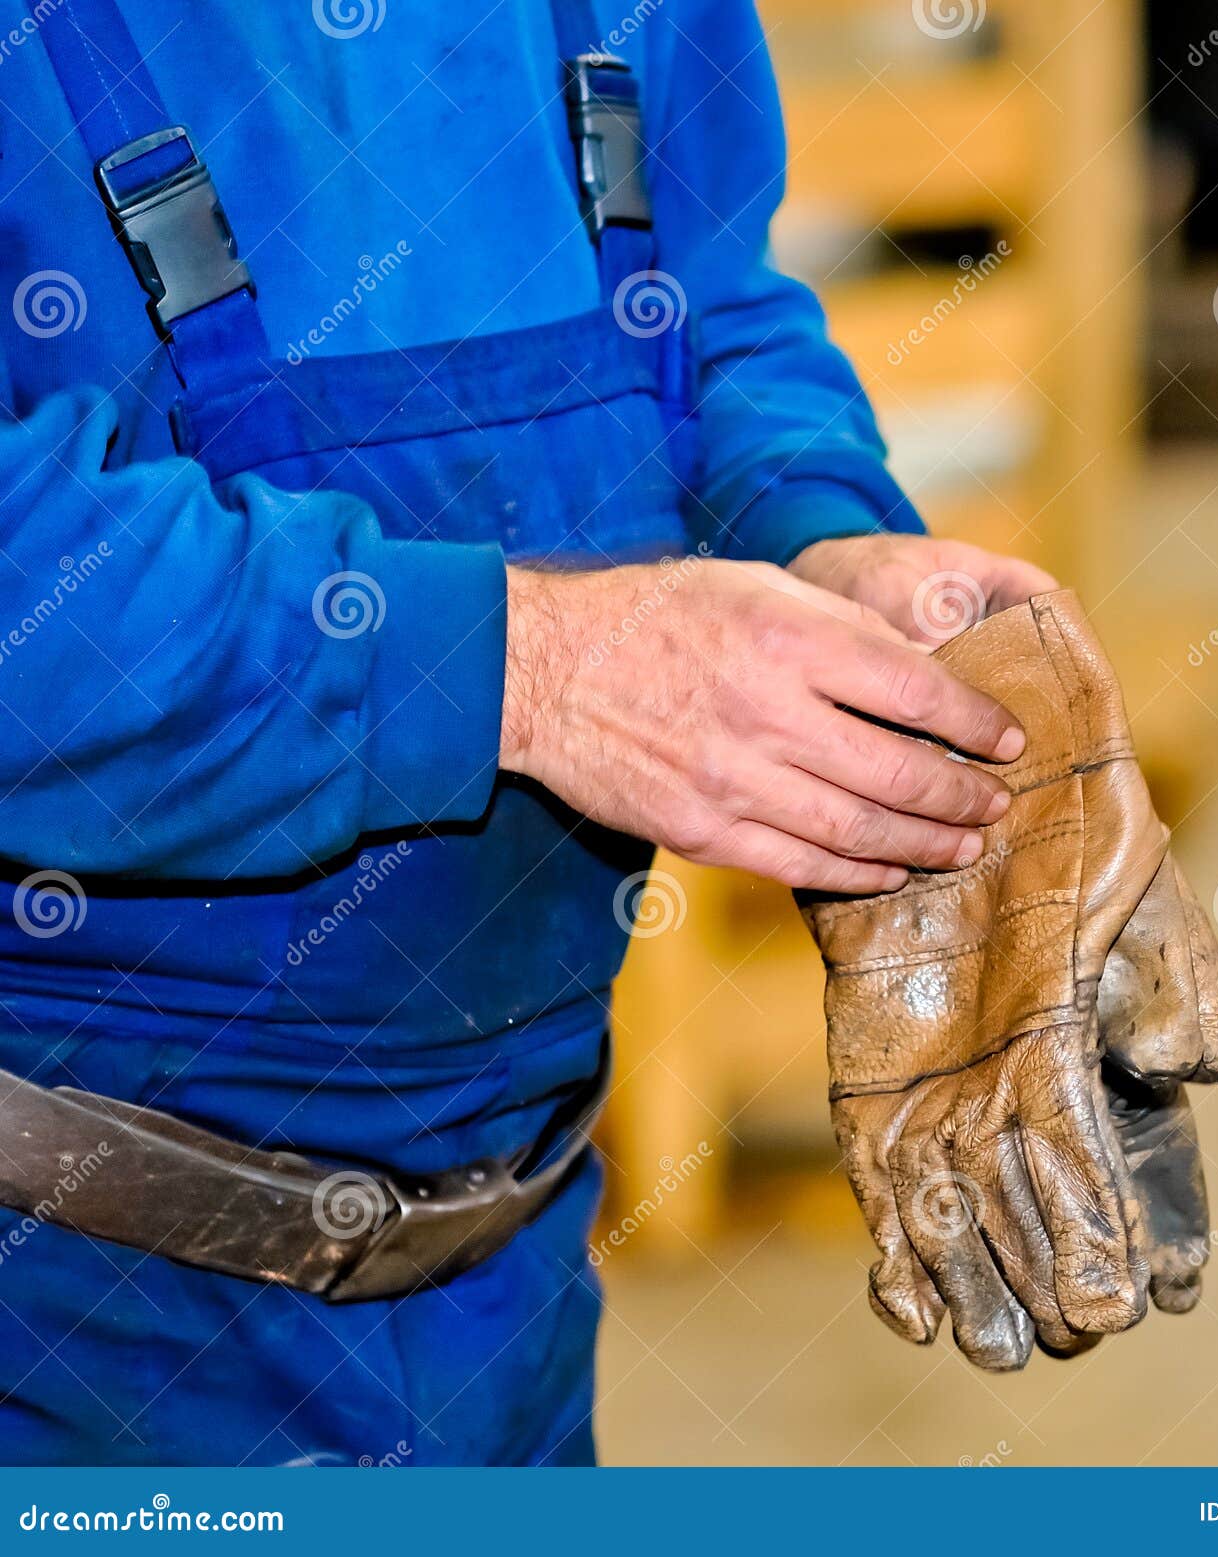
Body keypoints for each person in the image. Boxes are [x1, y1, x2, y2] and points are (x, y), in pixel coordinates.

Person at [0, 0, 1053, 1466]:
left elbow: (711, 310)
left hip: (514, 1276)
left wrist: (825, 543)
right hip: (70, 1328)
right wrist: (532, 668)